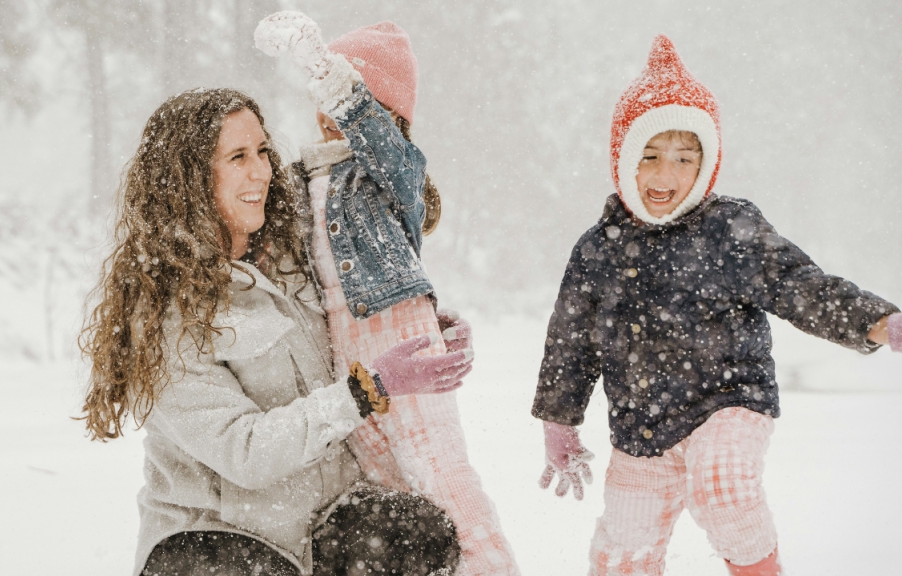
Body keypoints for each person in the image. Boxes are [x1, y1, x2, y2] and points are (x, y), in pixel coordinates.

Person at [531, 35, 902, 576]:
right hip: (642, 427)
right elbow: (570, 342)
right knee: (620, 554)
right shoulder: (598, 249)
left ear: (707, 164)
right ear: (623, 159)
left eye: (685, 158)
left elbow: (801, 285)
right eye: (650, 156)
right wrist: (558, 421)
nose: (665, 175)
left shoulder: (728, 228)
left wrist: (876, 321)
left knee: (722, 489)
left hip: (728, 400)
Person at [79, 88, 477, 576]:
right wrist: (364, 391)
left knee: (416, 533)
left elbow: (350, 326)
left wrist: (416, 330)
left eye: (263, 151)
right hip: (212, 544)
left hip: (311, 532)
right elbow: (244, 451)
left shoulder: (295, 253)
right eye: (238, 157)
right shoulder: (165, 310)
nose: (261, 172)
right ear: (189, 179)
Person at [254, 12, 521, 576]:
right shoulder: (302, 175)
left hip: (397, 334)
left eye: (349, 94)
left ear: (386, 112)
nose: (328, 109)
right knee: (390, 487)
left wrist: (327, 71)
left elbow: (376, 140)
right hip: (346, 355)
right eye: (322, 94)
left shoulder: (391, 172)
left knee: (441, 476)